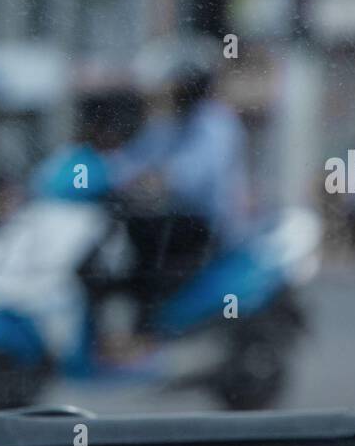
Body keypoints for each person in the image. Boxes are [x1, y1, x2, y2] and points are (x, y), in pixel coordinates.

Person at [104, 34, 252, 333]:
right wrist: (105, 172)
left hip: (206, 225)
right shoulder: (170, 124)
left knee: (145, 245)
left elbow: (195, 172)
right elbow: (135, 159)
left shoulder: (215, 122)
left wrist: (160, 178)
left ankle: (149, 328)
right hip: (175, 218)